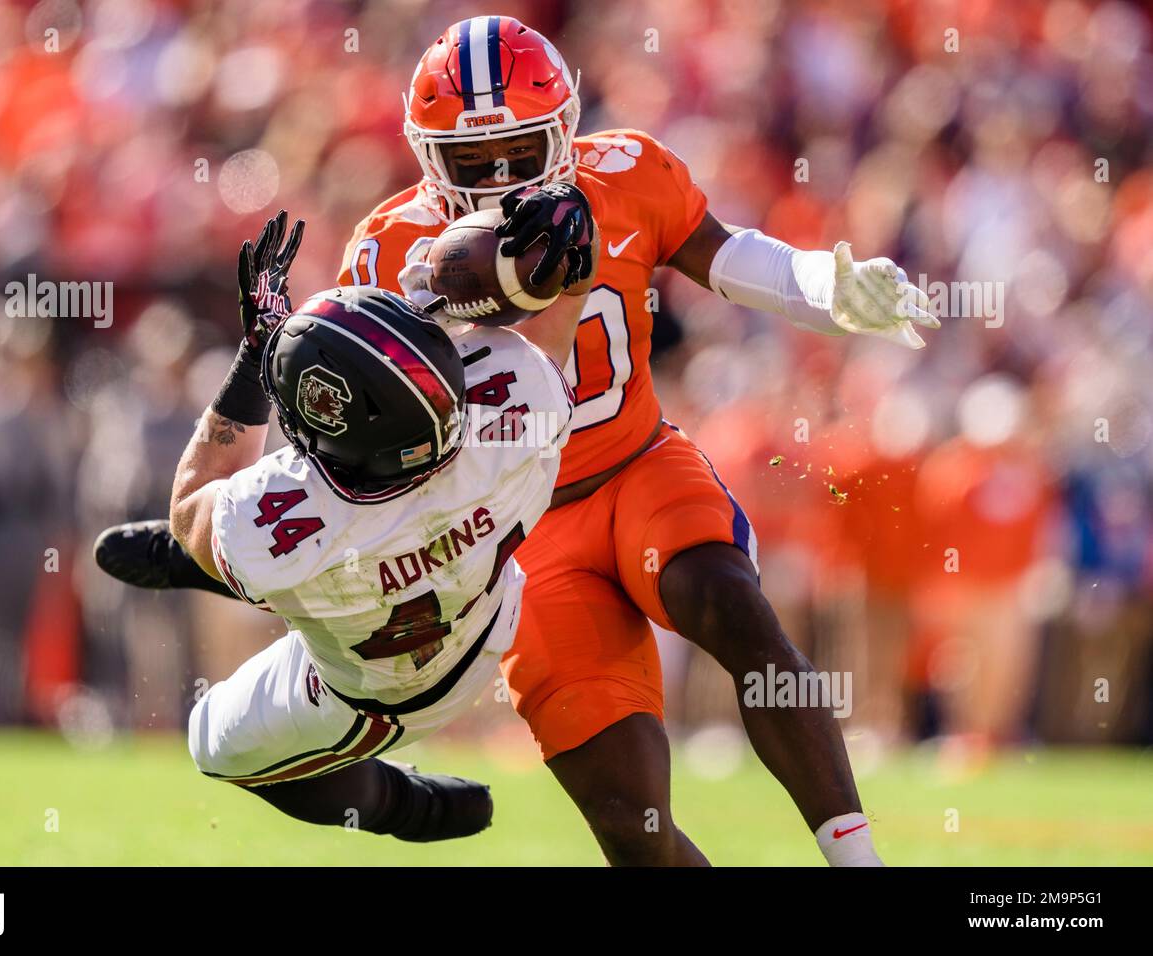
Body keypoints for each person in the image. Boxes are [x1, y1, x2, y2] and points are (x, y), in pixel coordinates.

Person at [338, 16, 940, 865]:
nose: (503, 180)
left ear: (565, 130)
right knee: (629, 817)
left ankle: (859, 862)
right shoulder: (387, 251)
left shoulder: (624, 172)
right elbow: (356, 435)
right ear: (426, 153)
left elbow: (728, 257)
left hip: (637, 467)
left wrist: (826, 285)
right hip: (517, 530)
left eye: (522, 151)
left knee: (732, 609)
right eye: (475, 162)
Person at [95, 210, 575, 842]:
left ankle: (398, 803)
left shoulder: (286, 511)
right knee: (298, 569)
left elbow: (190, 508)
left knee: (212, 739)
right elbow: (546, 334)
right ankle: (242, 579)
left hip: (380, 696)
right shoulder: (522, 395)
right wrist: (569, 254)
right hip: (489, 616)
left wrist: (255, 352)